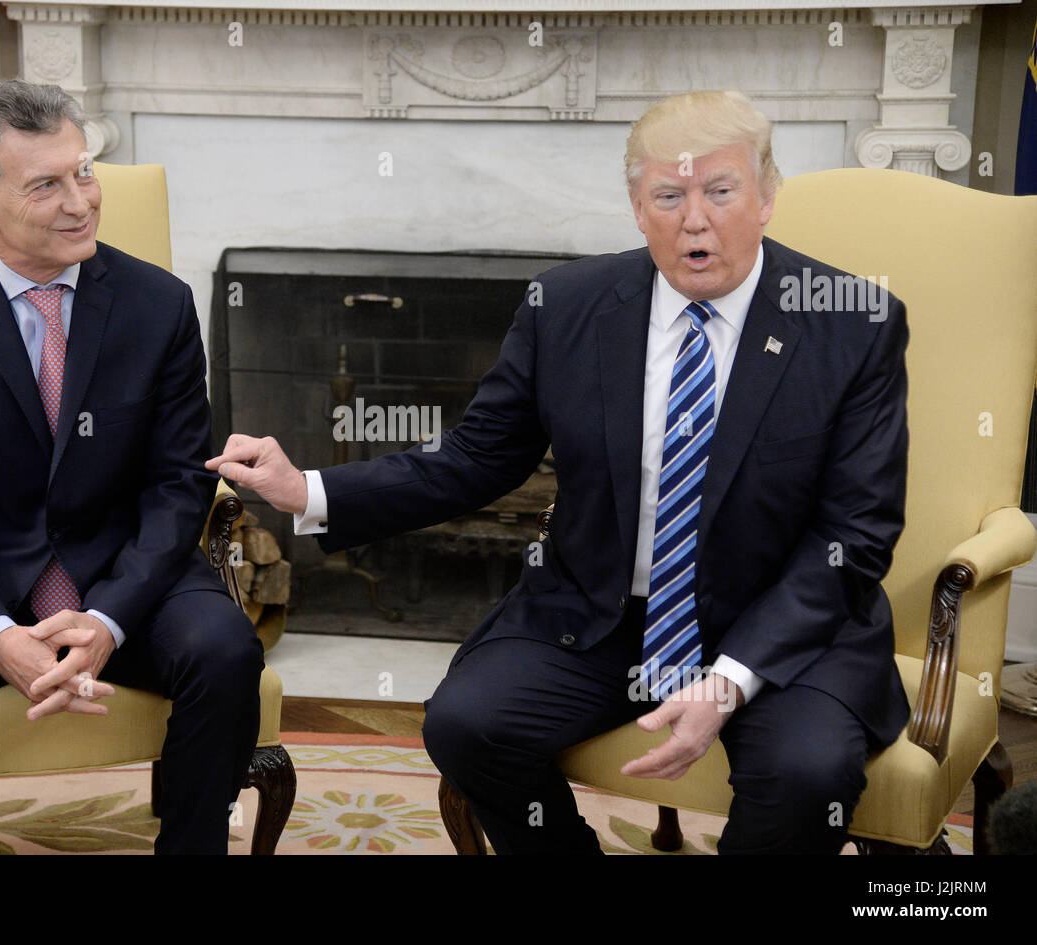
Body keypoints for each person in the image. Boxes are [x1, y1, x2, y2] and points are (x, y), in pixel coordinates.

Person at [209, 90, 910, 854]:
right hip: (604, 615)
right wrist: (307, 488)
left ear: (768, 194)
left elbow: (855, 534)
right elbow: (477, 458)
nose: (695, 219)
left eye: (721, 190)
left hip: (780, 630)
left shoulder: (852, 325)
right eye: (669, 196)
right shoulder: (568, 306)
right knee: (467, 724)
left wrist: (732, 677)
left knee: (808, 772)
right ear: (638, 207)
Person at [0, 79, 263, 855]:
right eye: (46, 184)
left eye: (84, 172)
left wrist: (107, 617)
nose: (80, 202)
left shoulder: (160, 306)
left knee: (224, 648)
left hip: (125, 571)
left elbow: (180, 482)